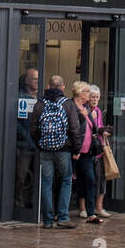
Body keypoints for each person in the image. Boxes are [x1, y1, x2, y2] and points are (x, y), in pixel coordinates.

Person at [29, 74, 83, 229]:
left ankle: (47, 220)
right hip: (64, 150)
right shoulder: (68, 104)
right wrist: (76, 149)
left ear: (48, 87)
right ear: (63, 88)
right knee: (66, 181)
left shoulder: (40, 104)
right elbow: (74, 128)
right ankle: (63, 217)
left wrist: (39, 144)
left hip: (45, 149)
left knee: (46, 183)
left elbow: (33, 129)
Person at [72, 81, 103, 224]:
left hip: (87, 153)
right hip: (74, 152)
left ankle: (91, 213)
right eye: (87, 92)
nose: (89, 95)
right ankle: (60, 213)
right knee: (67, 181)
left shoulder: (87, 109)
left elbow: (93, 129)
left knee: (90, 180)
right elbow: (72, 128)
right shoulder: (71, 107)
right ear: (79, 93)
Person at [78, 85, 109, 219]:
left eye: (97, 97)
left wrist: (105, 131)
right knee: (84, 180)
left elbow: (99, 127)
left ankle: (98, 207)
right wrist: (90, 116)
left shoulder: (98, 111)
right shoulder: (83, 110)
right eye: (92, 97)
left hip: (97, 149)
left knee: (100, 178)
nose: (95, 99)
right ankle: (83, 208)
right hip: (85, 150)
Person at [15, 68, 39, 209]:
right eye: (34, 78)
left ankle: (31, 202)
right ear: (26, 80)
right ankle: (17, 202)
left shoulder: (40, 98)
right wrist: (26, 137)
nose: (37, 81)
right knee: (21, 175)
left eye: (38, 78)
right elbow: (16, 123)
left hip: (37, 144)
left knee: (36, 175)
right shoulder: (20, 97)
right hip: (24, 144)